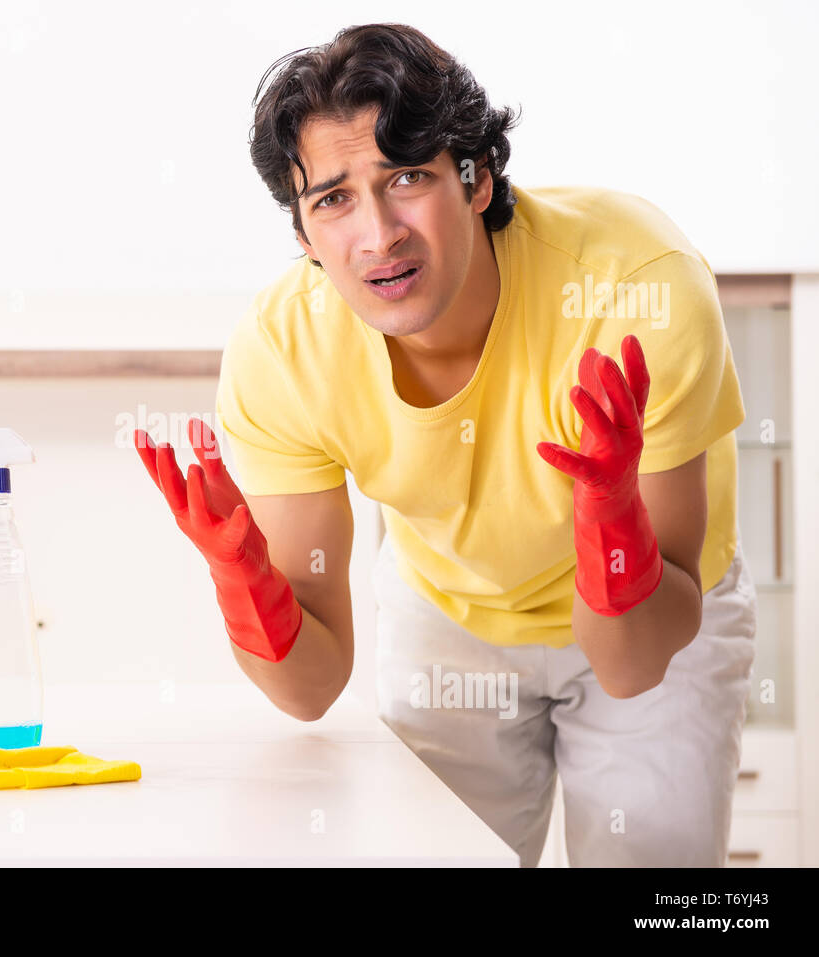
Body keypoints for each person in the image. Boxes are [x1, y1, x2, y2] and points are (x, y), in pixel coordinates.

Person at [133, 23, 756, 868]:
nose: (379, 234)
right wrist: (242, 577)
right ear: (304, 233)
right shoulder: (283, 350)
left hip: (659, 616)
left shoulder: (636, 289)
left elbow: (632, 665)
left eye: (407, 177)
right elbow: (312, 689)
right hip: (450, 612)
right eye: (333, 200)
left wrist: (612, 523)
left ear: (477, 178)